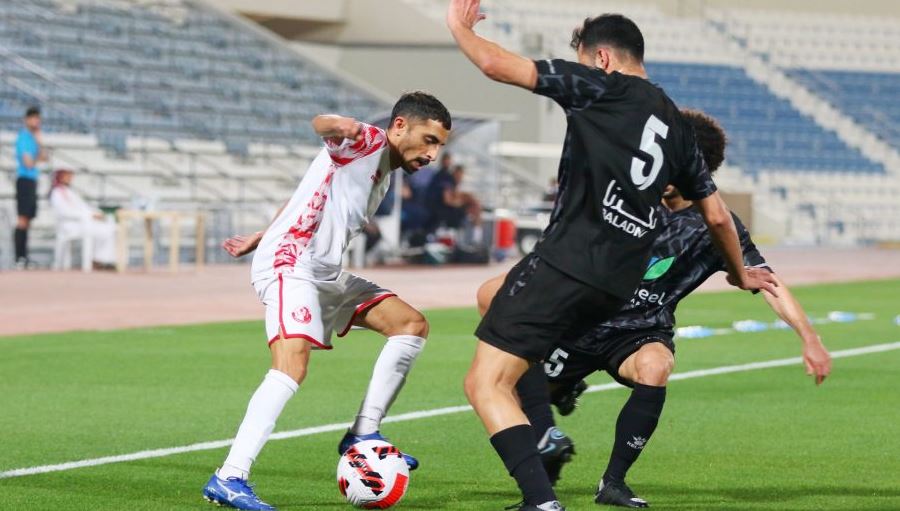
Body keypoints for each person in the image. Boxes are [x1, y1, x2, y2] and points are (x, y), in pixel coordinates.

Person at [446, 4, 778, 510]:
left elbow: (497, 65)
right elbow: (717, 217)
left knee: (485, 381)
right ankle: (545, 431)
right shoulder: (677, 126)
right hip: (618, 284)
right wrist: (738, 274)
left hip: (570, 259)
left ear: (601, 57)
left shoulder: (600, 85)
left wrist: (458, 28)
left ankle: (540, 496)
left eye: (581, 57)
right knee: (509, 324)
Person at [478, 109, 832, 508]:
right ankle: (549, 418)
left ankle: (613, 482)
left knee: (655, 366)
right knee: (498, 316)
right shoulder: (625, 197)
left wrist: (810, 338)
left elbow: (769, 283)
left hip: (639, 332)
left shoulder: (714, 224)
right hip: (579, 323)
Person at [202, 91, 451, 511]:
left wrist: (262, 232)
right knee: (291, 365)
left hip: (322, 271)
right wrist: (340, 124)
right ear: (401, 126)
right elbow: (321, 124)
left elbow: (308, 191)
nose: (433, 153)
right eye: (429, 140)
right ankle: (228, 477)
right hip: (291, 264)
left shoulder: (383, 171)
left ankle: (363, 433)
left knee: (410, 324)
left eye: (440, 146)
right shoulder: (368, 142)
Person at [48, 168, 117, 270]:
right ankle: (97, 260)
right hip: (70, 225)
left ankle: (102, 259)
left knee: (110, 228)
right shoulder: (56, 193)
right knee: (103, 230)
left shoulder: (70, 192)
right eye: (67, 176)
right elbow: (65, 212)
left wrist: (96, 214)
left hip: (82, 222)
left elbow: (83, 207)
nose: (70, 178)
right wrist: (89, 216)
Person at [14, 106, 48, 269]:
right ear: (27, 119)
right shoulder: (23, 137)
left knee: (28, 220)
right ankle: (19, 257)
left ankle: (24, 256)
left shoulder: (35, 138)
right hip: (24, 180)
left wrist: (40, 143)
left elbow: (44, 157)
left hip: (32, 180)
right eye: (34, 118)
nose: (37, 121)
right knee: (22, 219)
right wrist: (37, 159)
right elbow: (28, 162)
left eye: (38, 119)